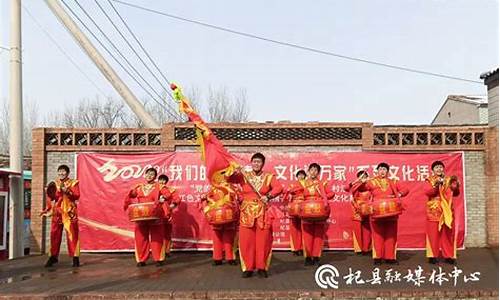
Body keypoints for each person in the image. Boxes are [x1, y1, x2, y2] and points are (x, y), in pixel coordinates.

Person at [228, 152, 283, 278]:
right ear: (251, 163)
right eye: (254, 161)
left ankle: (261, 267)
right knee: (246, 240)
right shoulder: (244, 176)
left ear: (263, 164)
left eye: (259, 162)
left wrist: (268, 196)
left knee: (263, 240)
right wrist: (233, 170)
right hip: (246, 212)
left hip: (262, 212)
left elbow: (279, 188)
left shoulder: (269, 177)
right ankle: (248, 267)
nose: (256, 164)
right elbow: (229, 178)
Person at [363, 162, 409, 265]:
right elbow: (362, 188)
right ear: (377, 171)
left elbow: (405, 189)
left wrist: (399, 194)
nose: (382, 171)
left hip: (391, 212)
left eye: (384, 169)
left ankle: (390, 257)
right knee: (377, 235)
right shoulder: (371, 182)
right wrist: (361, 183)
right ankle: (377, 257)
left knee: (391, 235)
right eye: (380, 169)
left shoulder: (394, 181)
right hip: (376, 212)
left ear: (388, 171)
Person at [41, 164, 81, 268]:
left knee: (72, 235)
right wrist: (48, 208)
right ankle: (53, 257)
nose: (61, 173)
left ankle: (75, 258)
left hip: (69, 212)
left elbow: (77, 195)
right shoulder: (55, 183)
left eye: (63, 171)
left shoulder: (73, 183)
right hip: (57, 212)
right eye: (59, 171)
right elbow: (51, 198)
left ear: (67, 173)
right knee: (54, 234)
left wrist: (67, 191)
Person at [124, 168, 165, 266]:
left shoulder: (160, 187)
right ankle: (141, 260)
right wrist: (130, 194)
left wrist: (162, 199)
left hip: (155, 215)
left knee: (157, 237)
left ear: (155, 176)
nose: (149, 176)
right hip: (141, 215)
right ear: (145, 175)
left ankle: (158, 259)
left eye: (152, 174)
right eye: (148, 174)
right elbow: (131, 195)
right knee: (140, 238)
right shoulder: (139, 187)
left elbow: (168, 195)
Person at [423, 160, 460, 265]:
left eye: (440, 167)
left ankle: (449, 256)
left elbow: (456, 193)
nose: (439, 169)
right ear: (432, 170)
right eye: (436, 167)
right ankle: (432, 256)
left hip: (447, 210)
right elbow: (428, 192)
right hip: (434, 210)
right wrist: (436, 185)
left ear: (443, 169)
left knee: (447, 233)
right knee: (433, 234)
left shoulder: (448, 180)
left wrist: (456, 185)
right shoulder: (429, 180)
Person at [301, 163, 334, 266]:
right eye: (312, 170)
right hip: (307, 211)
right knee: (307, 235)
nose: (313, 172)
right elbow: (295, 192)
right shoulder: (303, 183)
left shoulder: (322, 184)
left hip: (319, 211)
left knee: (318, 235)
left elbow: (331, 193)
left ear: (318, 172)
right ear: (308, 171)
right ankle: (308, 257)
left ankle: (316, 256)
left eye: (316, 170)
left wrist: (322, 198)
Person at [200, 181, 239, 266]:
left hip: (229, 215)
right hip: (216, 217)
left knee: (229, 238)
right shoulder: (213, 189)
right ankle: (217, 258)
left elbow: (237, 198)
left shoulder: (231, 187)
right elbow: (206, 198)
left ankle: (230, 258)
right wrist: (204, 198)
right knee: (216, 238)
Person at [346, 170, 372, 255]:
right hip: (356, 209)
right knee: (357, 229)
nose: (363, 178)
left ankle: (366, 248)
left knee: (367, 229)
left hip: (368, 208)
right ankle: (359, 249)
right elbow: (346, 188)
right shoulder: (355, 185)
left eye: (364, 176)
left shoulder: (370, 185)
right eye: (361, 176)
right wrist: (358, 181)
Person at [283, 170, 307, 256]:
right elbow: (285, 194)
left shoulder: (307, 184)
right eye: (299, 175)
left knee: (304, 228)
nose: (301, 176)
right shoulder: (292, 184)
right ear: (297, 176)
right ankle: (295, 248)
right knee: (294, 228)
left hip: (305, 207)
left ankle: (303, 248)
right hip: (293, 207)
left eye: (302, 175)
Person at [158, 174, 180, 258]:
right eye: (161, 180)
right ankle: (159, 251)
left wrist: (172, 206)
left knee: (167, 233)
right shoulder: (154, 188)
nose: (162, 182)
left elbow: (177, 199)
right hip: (157, 213)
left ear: (166, 182)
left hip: (167, 214)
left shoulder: (170, 190)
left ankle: (166, 251)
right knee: (158, 233)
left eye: (164, 180)